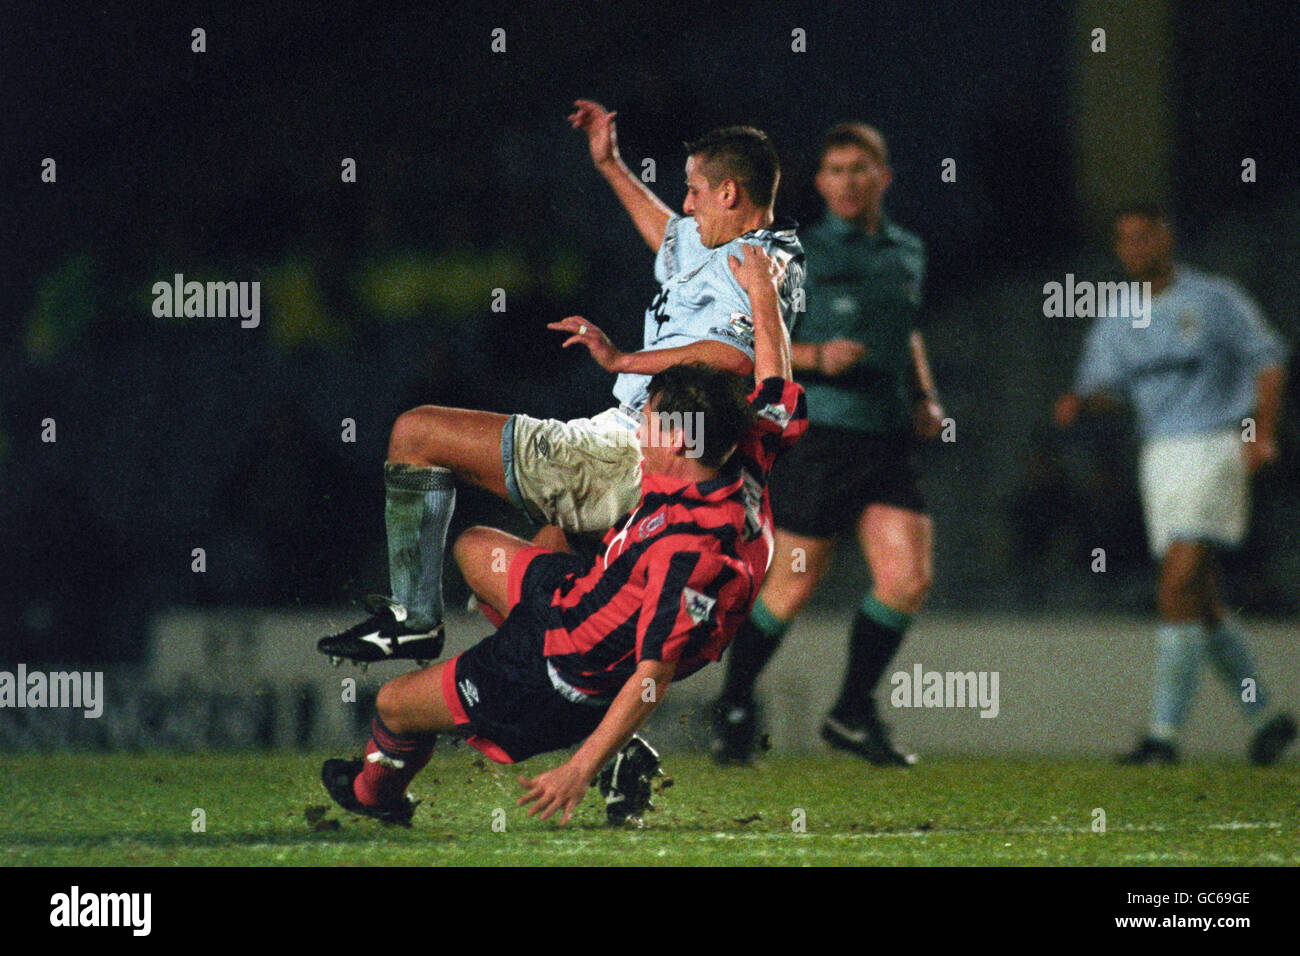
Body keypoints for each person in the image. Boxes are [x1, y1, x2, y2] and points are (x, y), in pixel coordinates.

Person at [320, 245, 806, 826]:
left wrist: (577, 768)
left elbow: (652, 678)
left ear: (677, 440)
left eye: (646, 419)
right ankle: (451, 634)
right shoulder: (744, 449)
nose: (638, 430)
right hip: (573, 596)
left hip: (557, 669)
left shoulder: (692, 548)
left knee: (394, 705)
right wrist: (762, 291)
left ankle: (379, 794)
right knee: (474, 547)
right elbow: (776, 380)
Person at [316, 100, 803, 666]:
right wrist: (610, 164)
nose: (685, 204)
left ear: (729, 194)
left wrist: (624, 361)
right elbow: (669, 238)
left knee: (416, 433)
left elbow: (734, 356)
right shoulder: (715, 240)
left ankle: (414, 618)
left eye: (694, 189)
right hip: (642, 444)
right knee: (538, 588)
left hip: (638, 448)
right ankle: (600, 729)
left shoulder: (759, 260)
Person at [711, 122, 942, 766]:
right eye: (834, 170)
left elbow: (907, 329)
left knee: (907, 580)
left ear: (883, 178)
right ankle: (732, 701)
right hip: (823, 436)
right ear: (818, 183)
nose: (846, 180)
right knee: (792, 588)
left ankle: (849, 711)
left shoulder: (908, 250)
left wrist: (924, 394)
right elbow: (749, 339)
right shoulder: (795, 252)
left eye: (858, 169)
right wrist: (816, 356)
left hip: (890, 435)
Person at [1054, 202, 1295, 765]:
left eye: (1145, 237)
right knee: (1200, 598)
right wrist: (1083, 403)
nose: (1135, 249)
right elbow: (1106, 388)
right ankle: (1266, 718)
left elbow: (1269, 359)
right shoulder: (1117, 316)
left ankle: (1163, 735)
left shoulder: (1215, 298)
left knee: (1177, 578)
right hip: (1159, 455)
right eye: (1125, 241)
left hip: (1214, 444)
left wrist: (1261, 430)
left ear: (1167, 238)